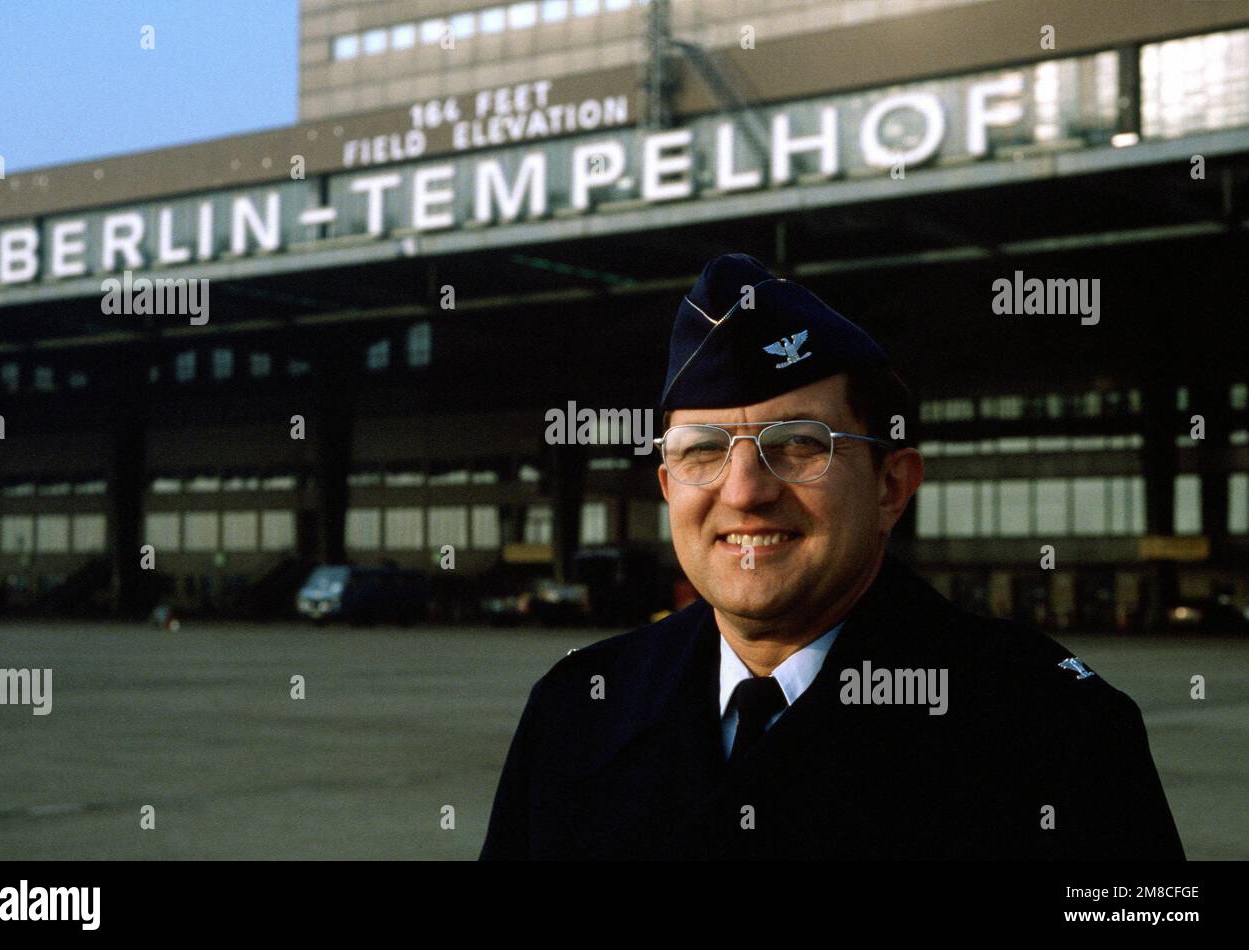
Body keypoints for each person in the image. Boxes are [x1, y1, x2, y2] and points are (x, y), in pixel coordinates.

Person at [481, 253, 1184, 860]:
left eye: (798, 445)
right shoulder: (576, 711)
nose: (745, 492)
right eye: (702, 450)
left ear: (890, 486)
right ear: (668, 487)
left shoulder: (1055, 732)